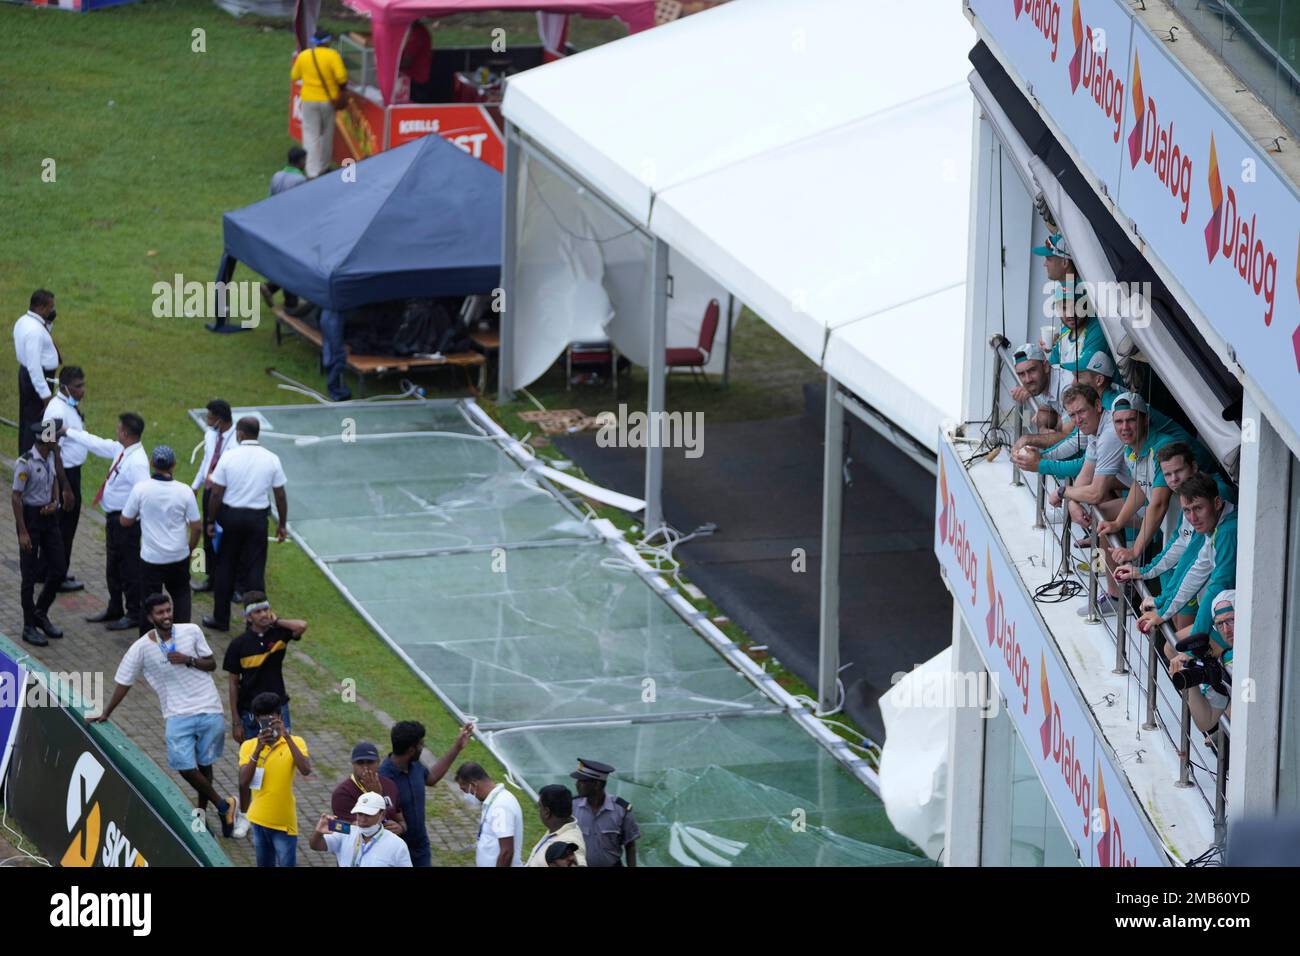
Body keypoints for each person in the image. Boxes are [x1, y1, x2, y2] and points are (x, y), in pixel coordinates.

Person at [89, 593, 238, 838]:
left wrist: (187, 659)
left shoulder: (191, 631)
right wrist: (106, 712)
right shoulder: (141, 648)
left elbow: (211, 664)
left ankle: (201, 817)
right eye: (160, 613)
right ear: (149, 617)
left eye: (168, 610)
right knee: (184, 767)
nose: (167, 616)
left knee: (204, 765)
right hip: (177, 714)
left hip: (209, 707)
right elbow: (124, 681)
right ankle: (223, 805)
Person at [1113, 443, 1236, 634]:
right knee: (1175, 642)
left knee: (1175, 646)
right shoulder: (1189, 497)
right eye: (1167, 474)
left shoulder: (1222, 518)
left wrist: (1196, 636)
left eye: (1178, 471)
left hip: (1230, 612)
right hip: (1215, 603)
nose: (1173, 479)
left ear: (1194, 467)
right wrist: (1144, 573)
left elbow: (1197, 564)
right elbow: (1183, 545)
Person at [202, 417, 288, 632]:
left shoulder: (229, 457)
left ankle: (221, 619)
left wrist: (211, 521)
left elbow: (216, 493)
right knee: (255, 570)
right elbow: (280, 496)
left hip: (230, 517)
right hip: (257, 519)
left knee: (225, 567)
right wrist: (282, 525)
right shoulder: (271, 459)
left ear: (239, 433)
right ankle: (257, 622)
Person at [65, 412, 149, 630]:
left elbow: (144, 494)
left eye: (118, 427)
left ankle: (134, 612)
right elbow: (96, 443)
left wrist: (131, 519)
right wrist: (68, 432)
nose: (115, 430)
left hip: (126, 523)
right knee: (113, 567)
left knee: (128, 568)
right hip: (114, 520)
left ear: (125, 433)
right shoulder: (122, 449)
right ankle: (115, 607)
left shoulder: (138, 462)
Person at [1134, 472, 1238, 649]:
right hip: (1229, 615)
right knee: (1172, 648)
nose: (1192, 518)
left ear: (1217, 503)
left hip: (1242, 621)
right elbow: (1197, 570)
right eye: (1187, 510)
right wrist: (1162, 607)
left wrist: (1196, 641)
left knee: (1174, 650)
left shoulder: (1227, 532)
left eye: (1198, 508)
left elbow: (1218, 586)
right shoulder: (1216, 526)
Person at [122, 446, 201, 635]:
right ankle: (183, 636)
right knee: (182, 596)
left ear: (152, 464)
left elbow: (125, 520)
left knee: (149, 601)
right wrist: (190, 550)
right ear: (173, 465)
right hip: (178, 555)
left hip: (151, 558)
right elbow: (197, 527)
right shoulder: (185, 491)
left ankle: (148, 640)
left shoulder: (141, 489)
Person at [379, 720, 473, 867]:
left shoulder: (415, 765)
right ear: (411, 750)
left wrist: (457, 747)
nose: (423, 747)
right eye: (421, 744)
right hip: (395, 851)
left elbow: (431, 778)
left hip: (420, 847)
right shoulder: (383, 779)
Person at [11, 423, 72, 646]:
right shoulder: (25, 463)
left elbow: (54, 479)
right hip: (30, 519)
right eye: (55, 438)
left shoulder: (50, 457)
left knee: (58, 568)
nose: (58, 441)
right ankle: (28, 625)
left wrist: (55, 501)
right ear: (46, 440)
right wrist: (23, 531)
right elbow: (16, 497)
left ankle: (40, 612)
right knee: (29, 574)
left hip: (49, 518)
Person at [238, 690, 312, 867]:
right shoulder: (249, 746)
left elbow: (306, 769)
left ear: (280, 716)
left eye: (272, 718)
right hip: (258, 820)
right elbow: (243, 781)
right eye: (263, 719)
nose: (268, 724)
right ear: (257, 719)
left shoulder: (296, 742)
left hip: (284, 824)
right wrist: (257, 749)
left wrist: (286, 736)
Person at [223, 591, 306, 742]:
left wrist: (277, 621)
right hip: (250, 710)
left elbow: (301, 626)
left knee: (282, 750)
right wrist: (236, 722)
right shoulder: (238, 645)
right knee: (253, 756)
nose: (263, 614)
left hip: (279, 707)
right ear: (248, 617)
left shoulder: (279, 634)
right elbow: (233, 683)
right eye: (257, 611)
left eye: (266, 609)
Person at [41, 366, 86, 593]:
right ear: (66, 387)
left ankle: (46, 569)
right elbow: (49, 446)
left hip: (69, 472)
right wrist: (65, 487)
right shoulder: (55, 410)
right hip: (64, 475)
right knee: (64, 528)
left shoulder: (68, 406)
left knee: (59, 526)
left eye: (83, 385)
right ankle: (57, 575)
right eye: (78, 386)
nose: (83, 390)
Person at [1168, 590, 1235, 740]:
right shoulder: (1222, 664)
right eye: (1219, 624)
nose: (1226, 630)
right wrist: (1191, 682)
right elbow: (1205, 722)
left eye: (1231, 620)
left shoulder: (1261, 653)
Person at [191, 399, 237, 593]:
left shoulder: (236, 440)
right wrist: (195, 486)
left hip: (226, 494)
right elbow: (206, 461)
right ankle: (211, 577)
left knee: (226, 537)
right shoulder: (210, 435)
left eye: (210, 417)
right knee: (208, 535)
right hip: (210, 491)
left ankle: (231, 582)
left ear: (220, 419)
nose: (207, 420)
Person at [291, 30, 348, 178]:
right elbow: (342, 78)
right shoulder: (333, 56)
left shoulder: (303, 56)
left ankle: (311, 170)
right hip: (328, 101)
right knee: (326, 134)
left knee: (310, 134)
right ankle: (323, 167)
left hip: (309, 100)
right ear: (328, 41)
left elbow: (294, 76)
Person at [13, 289, 60, 456]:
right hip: (38, 379)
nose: (52, 310)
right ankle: (32, 461)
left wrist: (48, 324)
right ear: (40, 308)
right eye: (50, 307)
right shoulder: (35, 331)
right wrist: (45, 394)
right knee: (37, 421)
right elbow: (34, 365)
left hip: (27, 376)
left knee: (27, 419)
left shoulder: (24, 321)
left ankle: (26, 458)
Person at [309, 792, 412, 867]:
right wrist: (318, 833)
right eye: (359, 814)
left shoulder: (397, 845)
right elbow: (315, 845)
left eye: (368, 815)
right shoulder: (346, 831)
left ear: (382, 815)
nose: (362, 820)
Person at [572, 758, 640, 868]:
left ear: (596, 784)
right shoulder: (572, 806)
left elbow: (630, 845)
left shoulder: (621, 810)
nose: (577, 784)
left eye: (582, 781)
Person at [455, 762, 523, 868]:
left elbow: (506, 852)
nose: (465, 796)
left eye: (464, 790)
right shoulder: (493, 802)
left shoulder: (501, 806)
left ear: (473, 785)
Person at [330, 741, 405, 836]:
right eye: (360, 763)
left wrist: (400, 827)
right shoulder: (342, 793)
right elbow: (348, 829)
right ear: (353, 764)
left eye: (370, 762)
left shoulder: (389, 785)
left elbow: (401, 819)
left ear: (378, 762)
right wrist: (376, 796)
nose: (365, 767)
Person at [526, 784, 587, 867]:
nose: (539, 810)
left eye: (540, 807)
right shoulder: (558, 828)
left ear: (547, 812)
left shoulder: (569, 841)